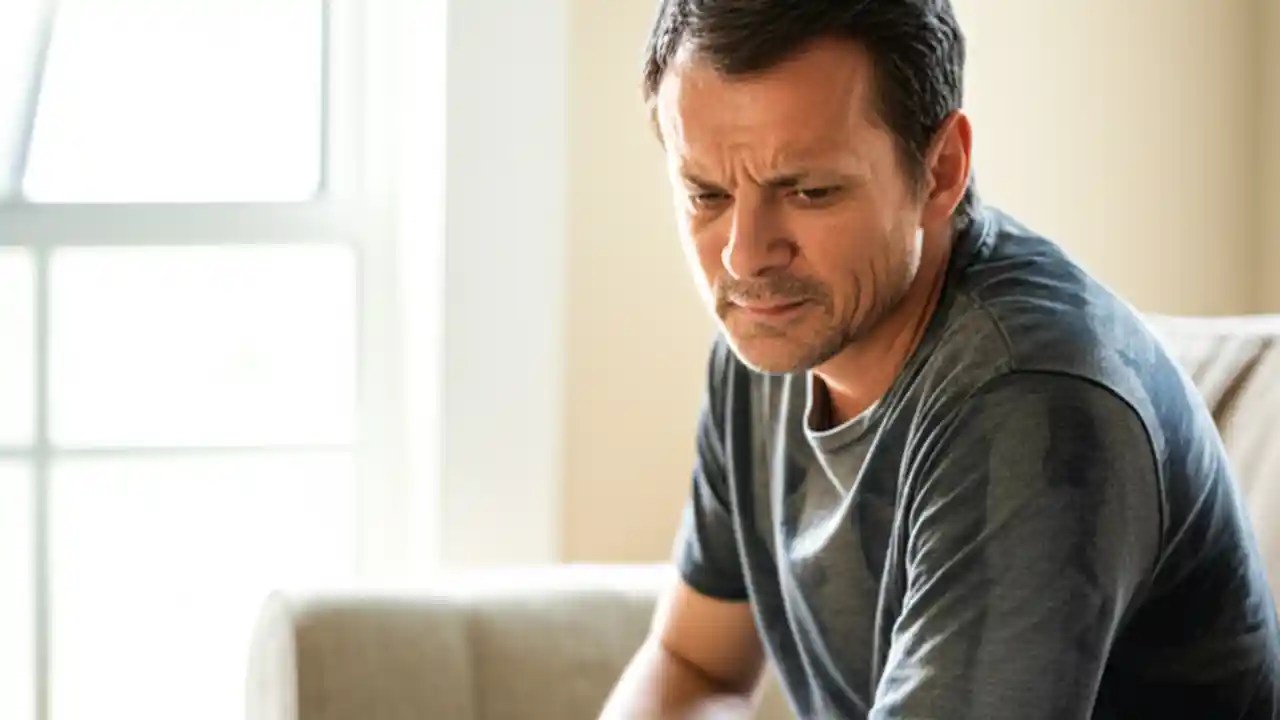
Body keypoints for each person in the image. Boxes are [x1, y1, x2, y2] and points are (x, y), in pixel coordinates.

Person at [598, 1, 1280, 718]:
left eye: (808, 191)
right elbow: (695, 664)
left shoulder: (1033, 410)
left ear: (942, 169)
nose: (744, 256)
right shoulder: (771, 338)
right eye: (706, 194)